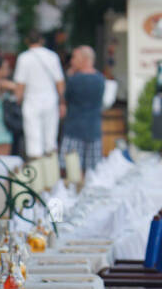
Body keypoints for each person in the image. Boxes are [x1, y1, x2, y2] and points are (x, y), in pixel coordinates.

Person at [13, 28, 65, 171]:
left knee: (33, 140)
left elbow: (20, 86)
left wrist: (18, 100)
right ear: (41, 40)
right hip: (50, 101)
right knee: (50, 140)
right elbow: (60, 83)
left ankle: (37, 178)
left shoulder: (24, 58)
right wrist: (62, 103)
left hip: (32, 102)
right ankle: (51, 176)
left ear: (27, 41)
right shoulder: (52, 56)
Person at [60, 45, 106, 177]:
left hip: (74, 128)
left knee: (71, 170)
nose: (72, 61)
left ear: (84, 59)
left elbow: (66, 98)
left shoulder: (75, 79)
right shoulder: (100, 79)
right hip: (94, 129)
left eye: (75, 58)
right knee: (91, 171)